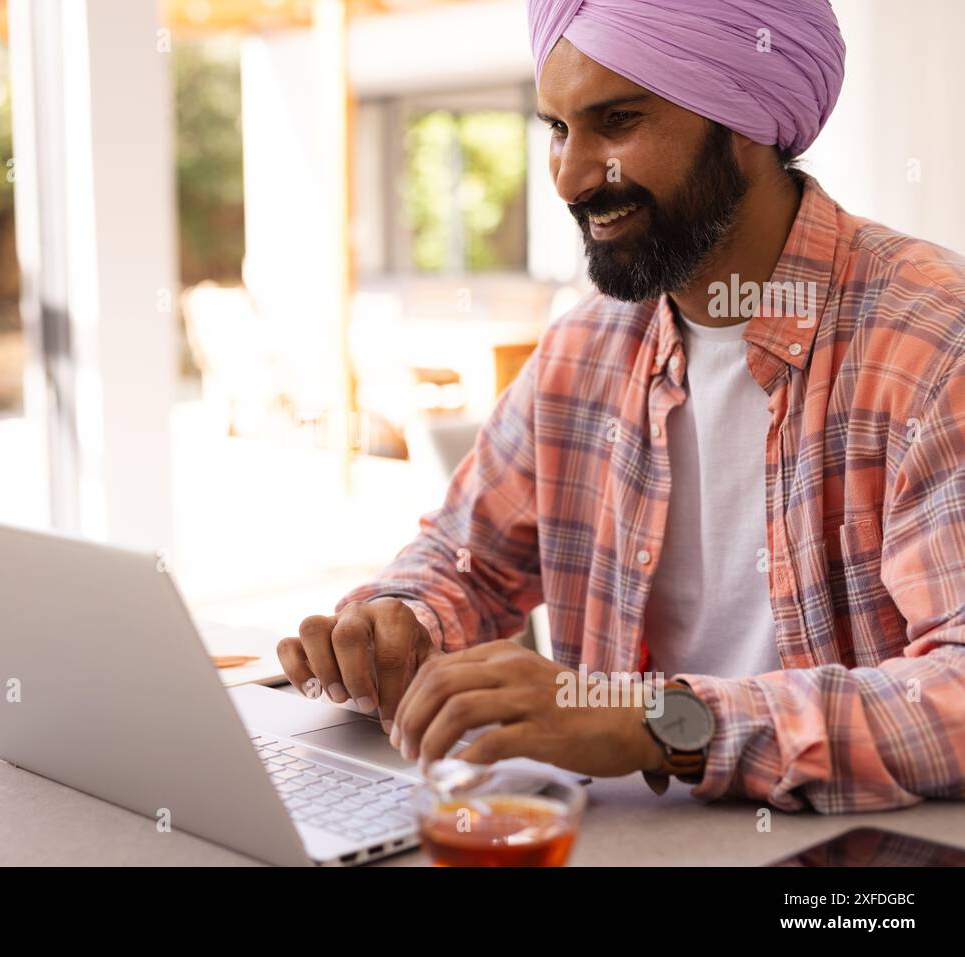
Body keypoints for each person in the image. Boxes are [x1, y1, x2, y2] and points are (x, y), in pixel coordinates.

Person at [277, 0, 965, 813]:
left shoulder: (930, 343)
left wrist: (654, 722)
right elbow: (466, 562)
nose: (570, 177)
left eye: (617, 121)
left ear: (743, 119)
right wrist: (396, 621)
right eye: (559, 130)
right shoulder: (583, 352)